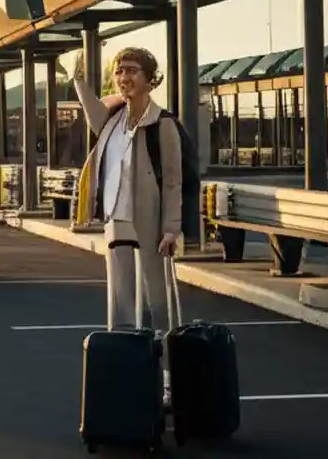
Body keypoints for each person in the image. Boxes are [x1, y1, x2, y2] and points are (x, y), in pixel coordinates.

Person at [73, 47, 183, 402]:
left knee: (158, 302)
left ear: (150, 79)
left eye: (133, 71)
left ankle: (169, 379)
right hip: (116, 218)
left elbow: (173, 180)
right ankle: (126, 378)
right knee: (121, 302)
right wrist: (77, 76)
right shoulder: (111, 122)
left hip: (150, 220)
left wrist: (172, 227)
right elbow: (90, 107)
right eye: (120, 71)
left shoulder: (163, 123)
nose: (125, 77)